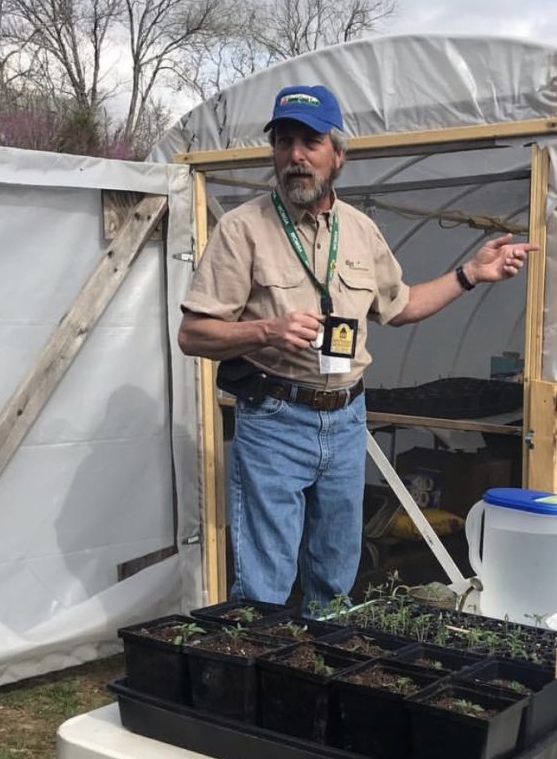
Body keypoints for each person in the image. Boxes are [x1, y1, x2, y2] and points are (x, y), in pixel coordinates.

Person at [178, 84, 537, 613]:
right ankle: (258, 676)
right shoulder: (242, 230)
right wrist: (267, 331)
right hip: (275, 417)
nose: (296, 156)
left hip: (346, 418)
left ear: (338, 155)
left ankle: (320, 675)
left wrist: (470, 274)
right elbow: (193, 333)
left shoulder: (362, 231)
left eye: (311, 141)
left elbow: (401, 305)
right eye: (284, 142)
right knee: (263, 584)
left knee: (334, 575)